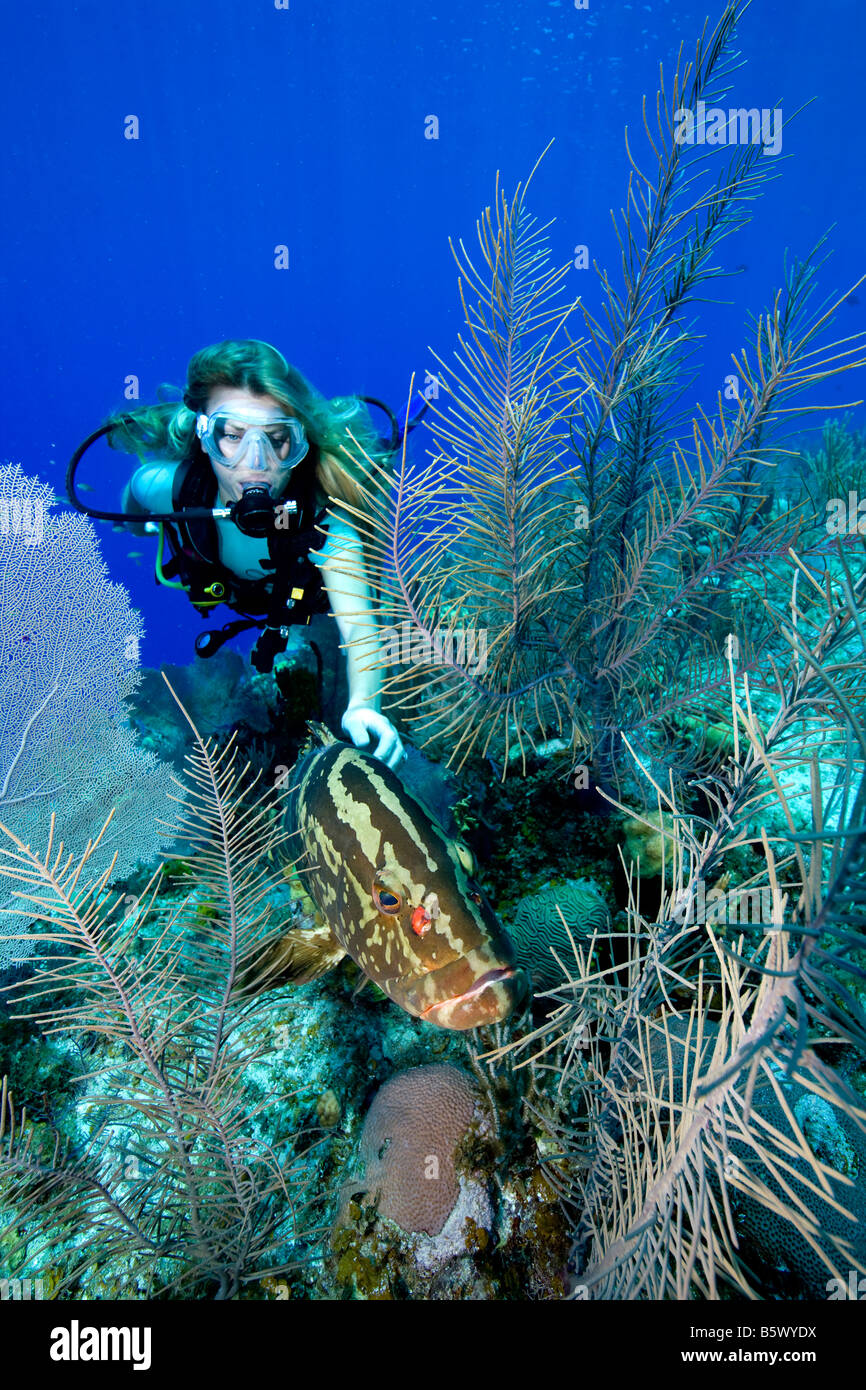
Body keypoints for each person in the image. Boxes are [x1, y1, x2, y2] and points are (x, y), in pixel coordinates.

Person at [110, 338, 404, 768]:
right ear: (204, 434)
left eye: (276, 439)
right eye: (232, 435)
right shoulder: (169, 488)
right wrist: (135, 524)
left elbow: (360, 630)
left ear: (298, 443)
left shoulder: (324, 524)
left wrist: (363, 705)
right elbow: (134, 496)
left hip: (300, 600)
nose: (255, 462)